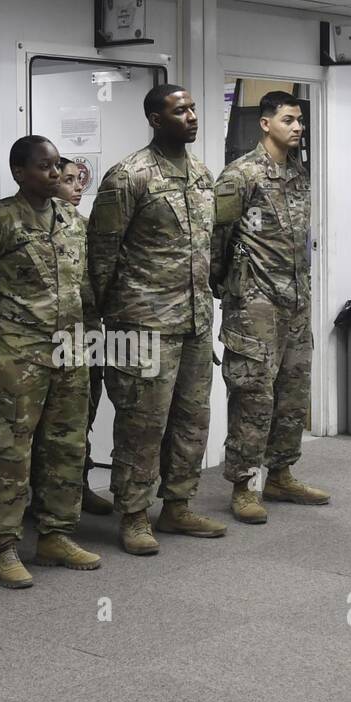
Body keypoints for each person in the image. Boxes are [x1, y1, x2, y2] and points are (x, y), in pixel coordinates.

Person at [0, 136, 100, 587]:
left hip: (69, 354)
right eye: (44, 167)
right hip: (16, 356)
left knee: (67, 447)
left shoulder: (73, 221)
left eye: (57, 166)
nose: (54, 174)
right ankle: (1, 545)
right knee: (8, 452)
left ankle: (55, 534)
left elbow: (83, 286)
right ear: (19, 172)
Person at [86, 84, 225, 555]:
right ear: (154, 118)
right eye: (178, 110)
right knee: (143, 423)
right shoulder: (128, 176)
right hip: (142, 321)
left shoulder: (204, 176)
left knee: (192, 418)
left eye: (192, 107)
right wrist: (109, 318)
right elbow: (100, 252)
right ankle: (133, 513)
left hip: (194, 320)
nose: (190, 116)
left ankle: (178, 505)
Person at [211, 91, 328, 524]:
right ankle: (244, 485)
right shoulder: (239, 176)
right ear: (265, 123)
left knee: (292, 392)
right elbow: (216, 242)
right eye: (288, 120)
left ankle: (280, 473)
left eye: (300, 120)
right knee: (252, 396)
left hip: (295, 302)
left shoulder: (298, 173)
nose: (297, 127)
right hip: (253, 306)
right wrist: (230, 290)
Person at [56, 157, 112, 517]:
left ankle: (80, 484)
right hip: (54, 338)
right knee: (56, 420)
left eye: (79, 180)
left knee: (84, 413)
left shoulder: (85, 226)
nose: (77, 186)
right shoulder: (41, 223)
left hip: (87, 333)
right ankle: (49, 494)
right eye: (67, 180)